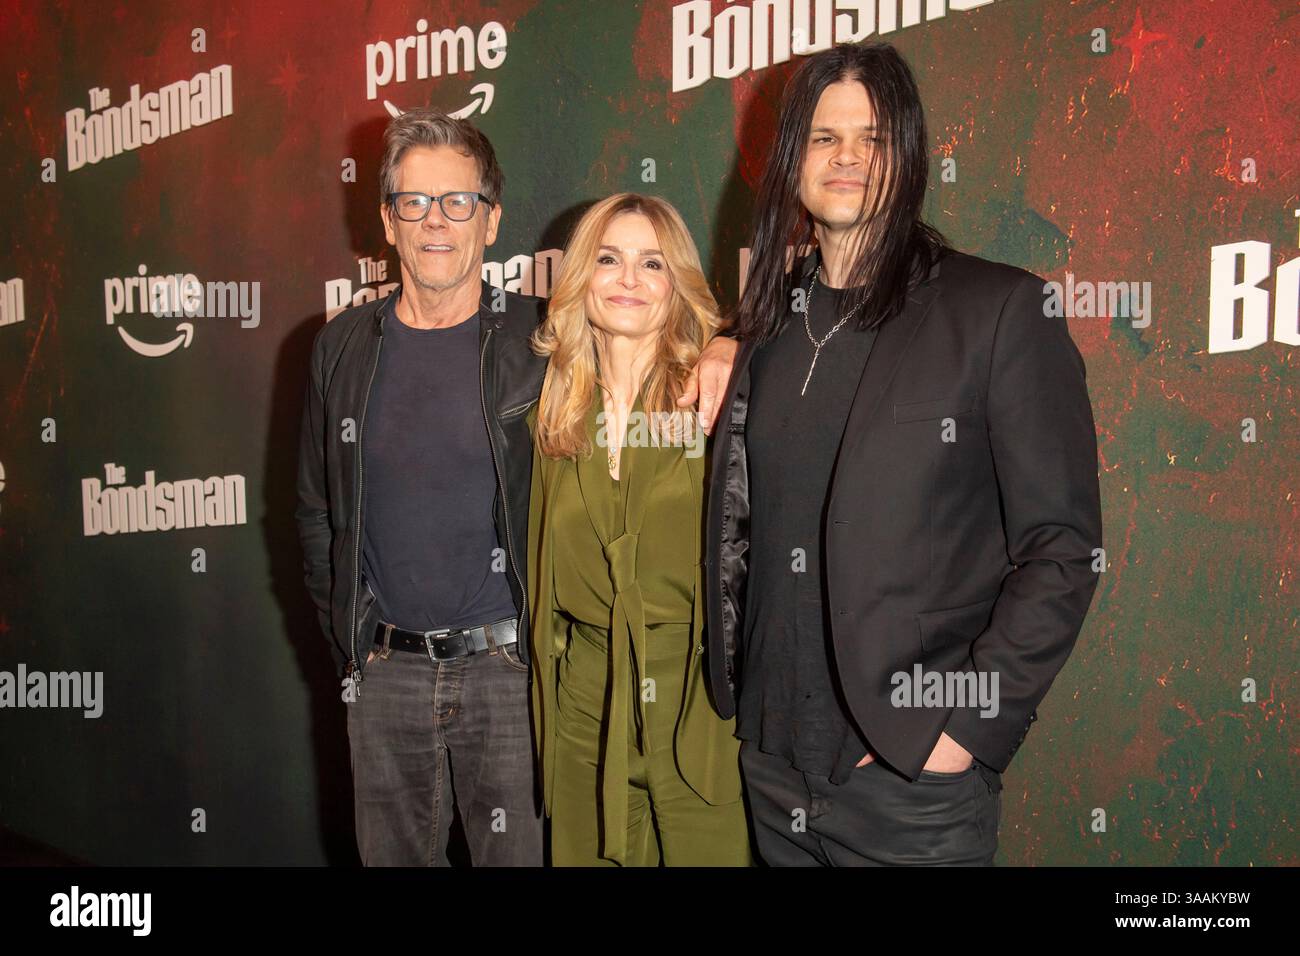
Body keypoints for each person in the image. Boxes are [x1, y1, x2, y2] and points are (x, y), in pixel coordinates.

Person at [295, 110, 738, 866]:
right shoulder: (340, 347)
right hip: (384, 673)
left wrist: (730, 343)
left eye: (459, 201)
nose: (437, 221)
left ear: (491, 219)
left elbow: (652, 323)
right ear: (387, 221)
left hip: (512, 674)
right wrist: (355, 647)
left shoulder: (541, 344)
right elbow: (315, 512)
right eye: (415, 202)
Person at [704, 42, 1103, 866]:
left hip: (910, 785)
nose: (847, 157)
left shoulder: (997, 310)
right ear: (792, 162)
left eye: (874, 138)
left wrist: (964, 729)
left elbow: (1062, 550)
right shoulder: (764, 331)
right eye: (823, 137)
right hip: (773, 768)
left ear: (909, 156)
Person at [526, 194, 751, 866]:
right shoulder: (554, 412)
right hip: (584, 712)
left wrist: (733, 336)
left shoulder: (713, 398)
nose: (628, 278)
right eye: (608, 259)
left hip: (700, 707)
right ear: (578, 280)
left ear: (675, 283)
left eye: (651, 263)